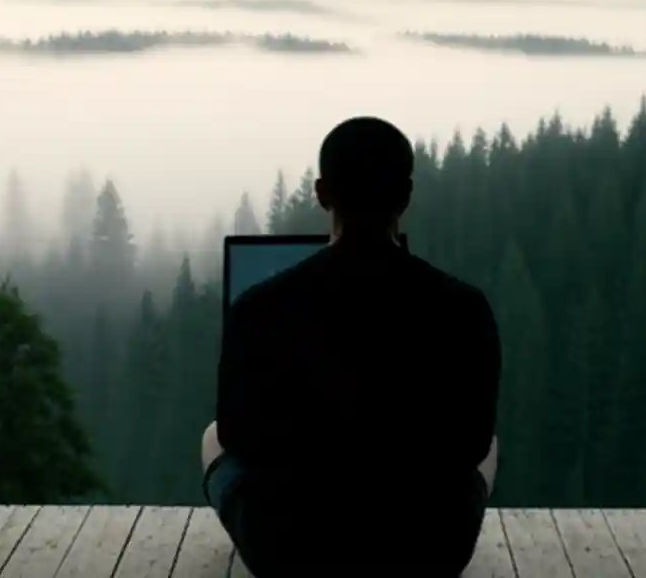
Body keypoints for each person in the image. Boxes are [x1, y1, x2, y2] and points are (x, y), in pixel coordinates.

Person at [201, 116, 501, 576]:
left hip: (289, 551)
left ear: (322, 193)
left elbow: (235, 435)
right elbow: (473, 442)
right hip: (425, 551)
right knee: (490, 447)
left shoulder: (259, 307)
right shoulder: (464, 307)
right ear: (405, 195)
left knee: (211, 437)